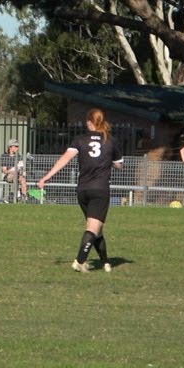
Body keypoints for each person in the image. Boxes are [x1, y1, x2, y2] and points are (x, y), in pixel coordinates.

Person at [37, 108, 124, 272]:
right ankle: (79, 261)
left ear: (89, 122)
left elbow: (66, 158)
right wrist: (109, 160)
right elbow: (119, 165)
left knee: (96, 229)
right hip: (100, 190)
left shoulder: (80, 140)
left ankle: (106, 263)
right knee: (92, 228)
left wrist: (48, 176)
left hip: (83, 190)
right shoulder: (111, 141)